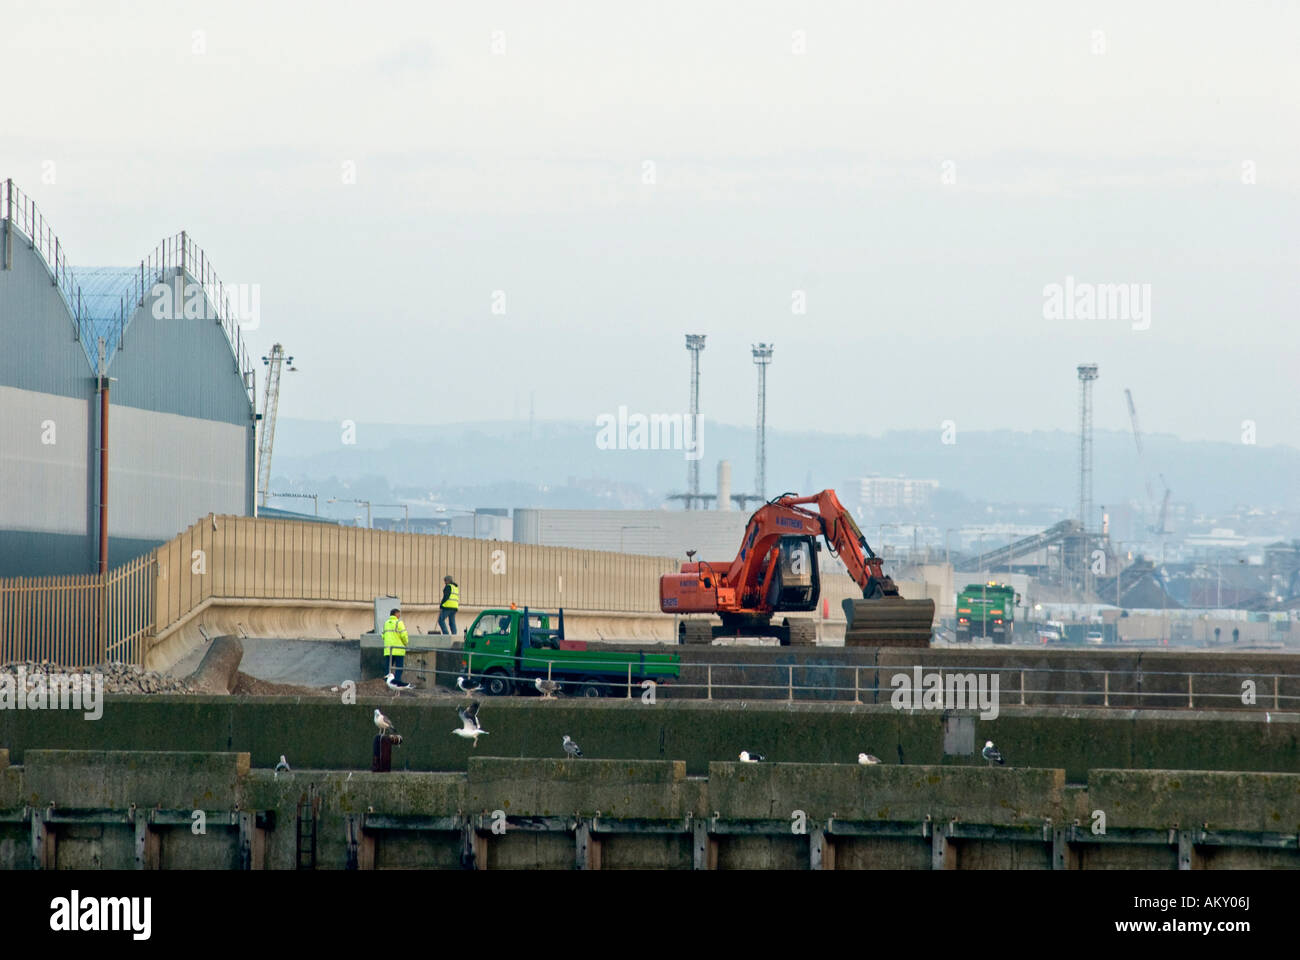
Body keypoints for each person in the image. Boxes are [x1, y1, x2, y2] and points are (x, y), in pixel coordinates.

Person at [383, 607, 409, 685]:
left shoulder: (386, 623)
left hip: (388, 650)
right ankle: (396, 683)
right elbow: (404, 635)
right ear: (396, 614)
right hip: (398, 650)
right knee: (399, 668)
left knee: (388, 668)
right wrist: (406, 643)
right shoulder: (399, 623)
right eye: (399, 613)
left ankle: (387, 683)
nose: (400, 615)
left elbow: (383, 635)